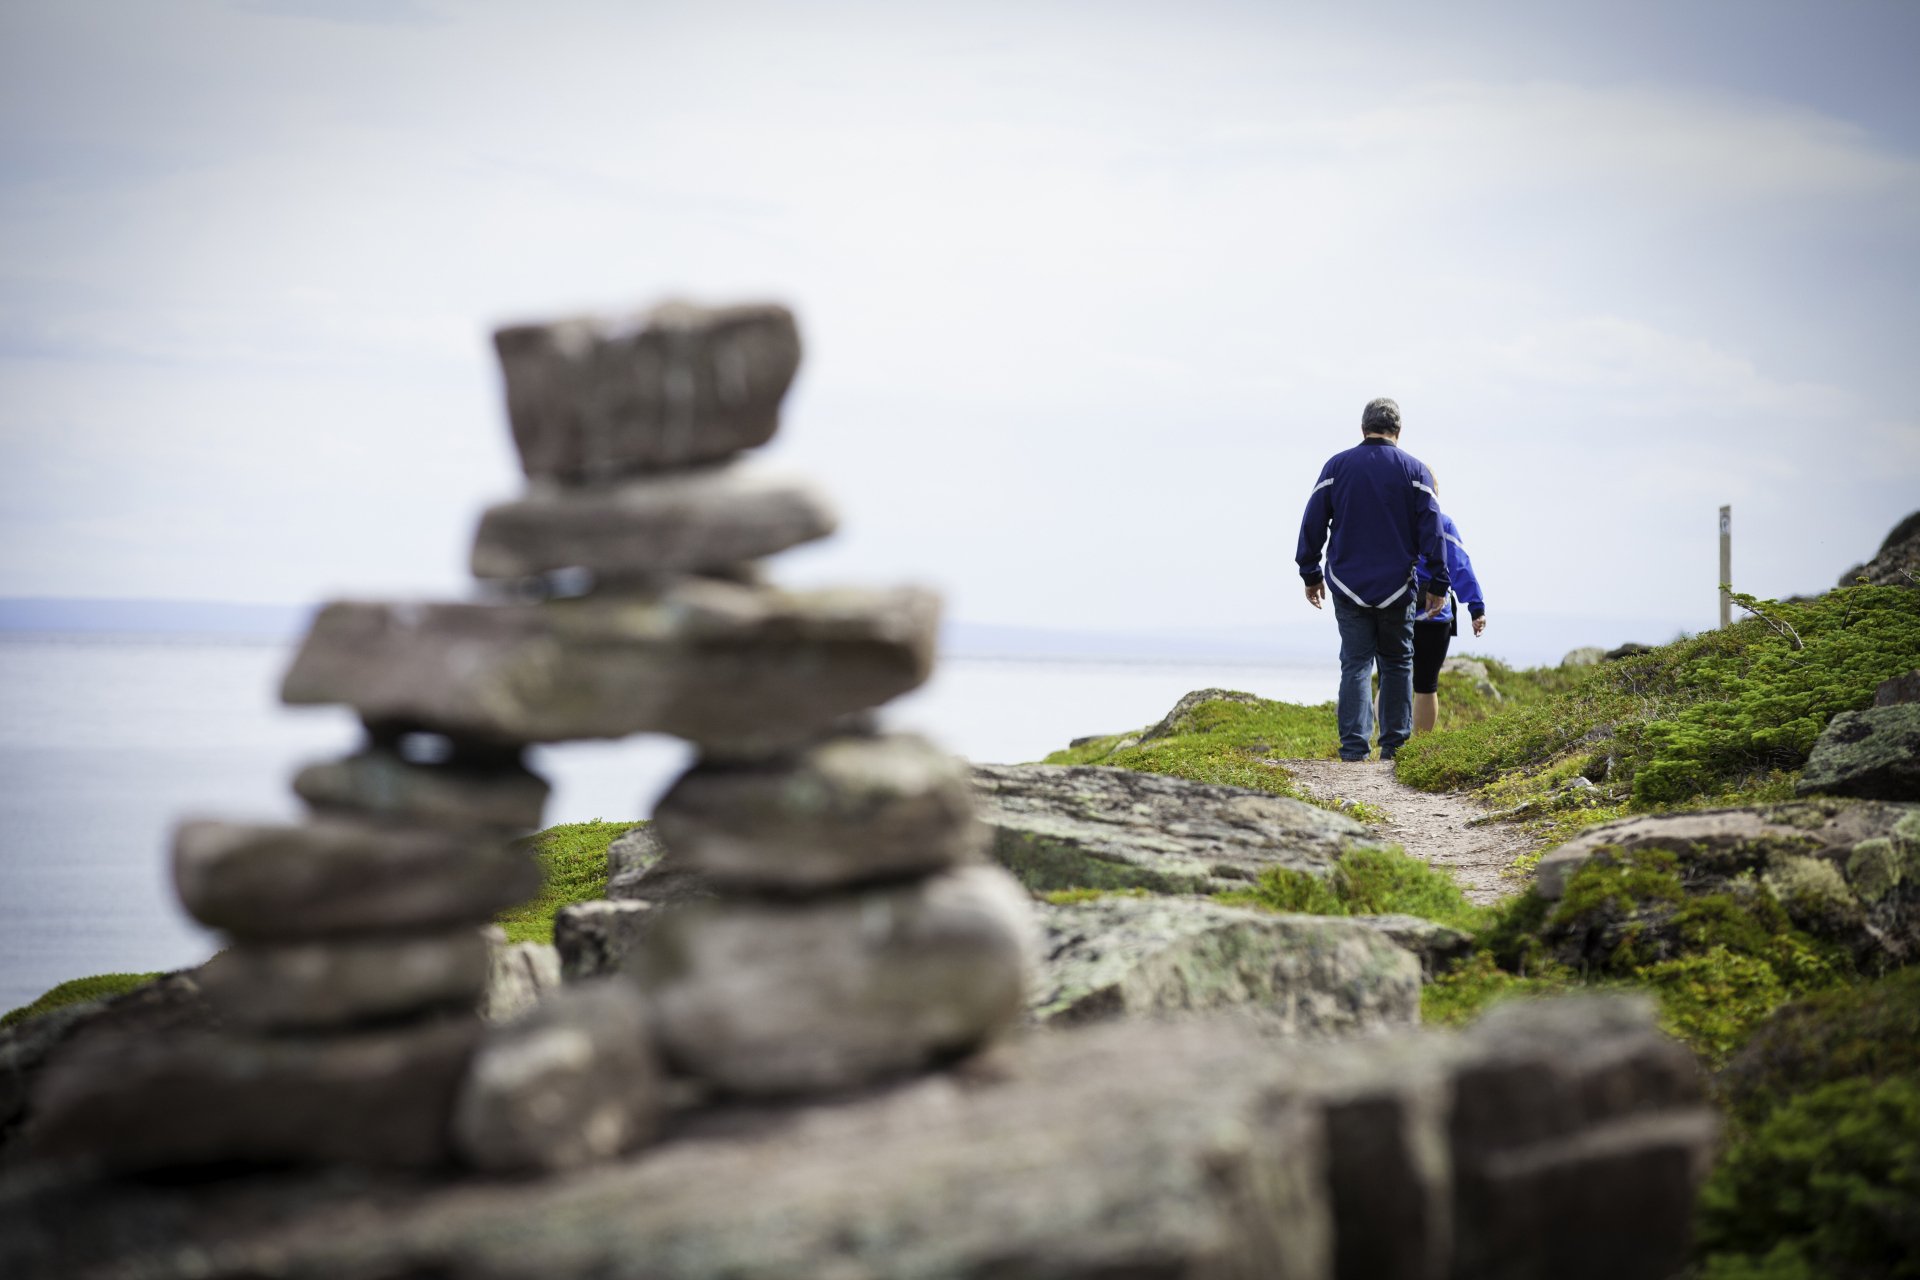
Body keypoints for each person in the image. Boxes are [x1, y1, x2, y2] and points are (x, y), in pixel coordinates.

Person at [1295, 397, 1449, 762]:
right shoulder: (1416, 472)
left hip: (1348, 584)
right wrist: (1439, 583)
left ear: (1363, 427)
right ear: (1399, 431)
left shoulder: (1337, 466)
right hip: (1398, 586)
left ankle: (1353, 749)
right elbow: (1433, 530)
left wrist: (1310, 572)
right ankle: (1394, 749)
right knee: (1397, 662)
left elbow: (1313, 522)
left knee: (1356, 663)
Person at [1410, 473, 1487, 735]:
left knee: (1389, 678)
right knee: (1426, 684)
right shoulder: (1443, 524)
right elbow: (1460, 566)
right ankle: (1418, 748)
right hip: (1435, 617)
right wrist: (1476, 608)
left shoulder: (1391, 522)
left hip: (1393, 612)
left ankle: (1389, 744)